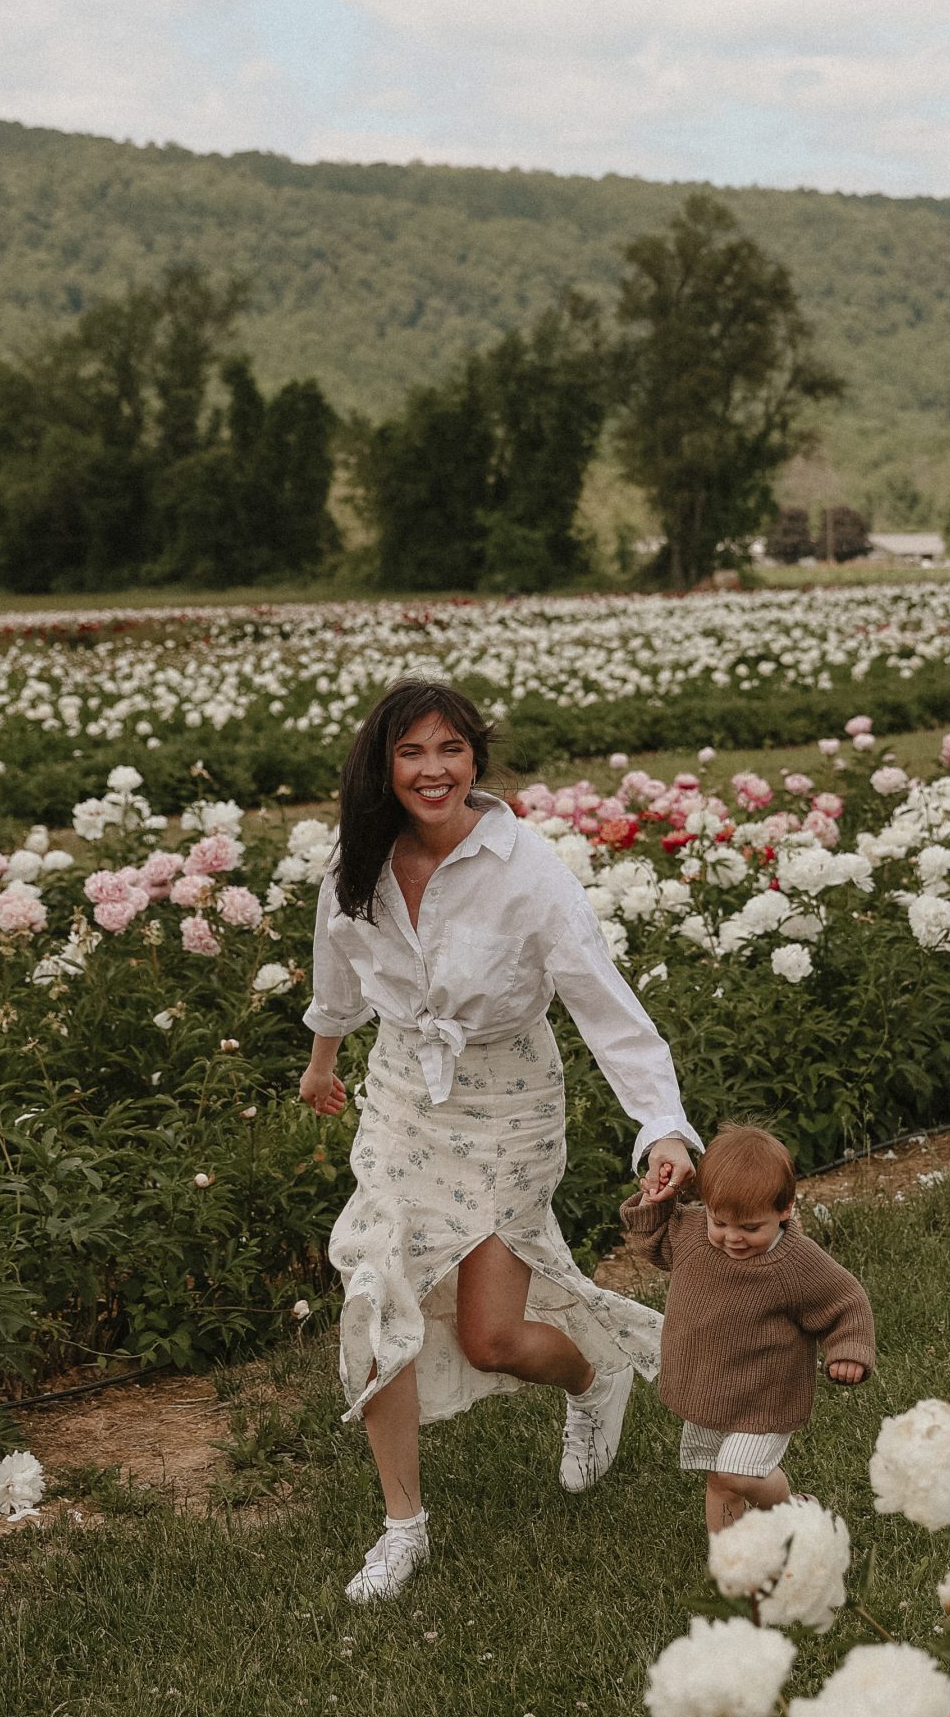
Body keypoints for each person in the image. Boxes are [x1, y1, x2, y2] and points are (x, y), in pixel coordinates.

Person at [299, 680, 699, 1604]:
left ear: (476, 758)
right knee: (375, 1288)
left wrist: (662, 1126)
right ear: (383, 766)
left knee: (490, 1337)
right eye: (411, 753)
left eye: (450, 750)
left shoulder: (529, 872)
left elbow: (609, 1009)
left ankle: (594, 1380)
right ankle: (404, 1528)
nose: (432, 771)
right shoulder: (355, 861)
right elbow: (338, 970)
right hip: (404, 1094)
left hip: (510, 1100)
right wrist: (324, 1063)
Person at [622, 1123, 875, 1535]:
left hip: (766, 1395)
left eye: (751, 1228)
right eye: (720, 1222)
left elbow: (845, 1300)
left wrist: (848, 1350)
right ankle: (732, 1561)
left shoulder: (794, 1262)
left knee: (739, 1476)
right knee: (720, 1481)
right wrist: (657, 1200)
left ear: (785, 1209)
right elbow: (652, 1240)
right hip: (708, 1387)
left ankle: (793, 1512)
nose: (733, 1238)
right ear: (706, 1206)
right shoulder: (692, 1235)